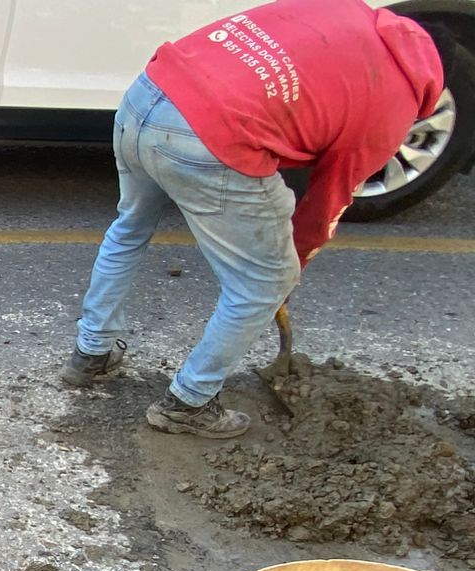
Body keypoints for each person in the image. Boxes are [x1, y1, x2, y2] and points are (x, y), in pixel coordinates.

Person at [62, 0, 445, 438]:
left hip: (148, 94)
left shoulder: (344, 10)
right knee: (262, 282)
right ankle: (189, 403)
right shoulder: (394, 100)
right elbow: (327, 204)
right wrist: (288, 268)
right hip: (207, 136)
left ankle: (92, 352)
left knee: (130, 226)